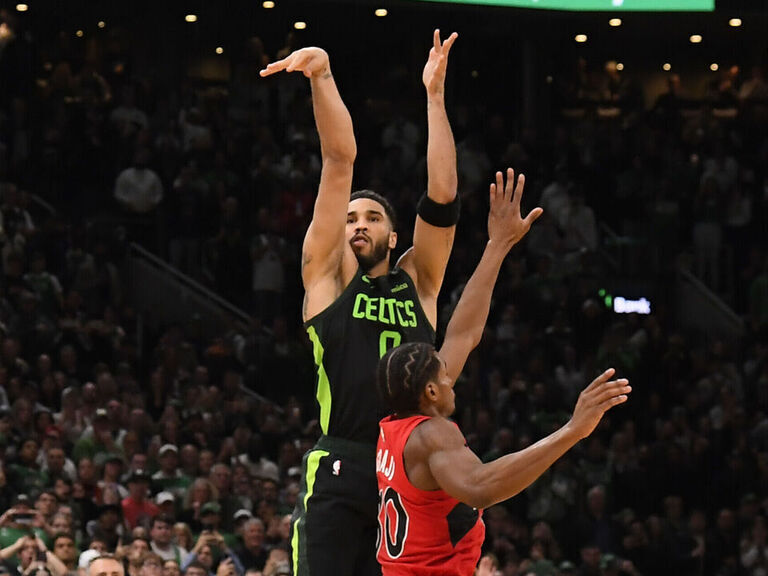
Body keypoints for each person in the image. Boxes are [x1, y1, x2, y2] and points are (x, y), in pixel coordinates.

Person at [260, 29, 459, 576]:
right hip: (343, 458)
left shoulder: (419, 282)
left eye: (372, 217)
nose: (358, 225)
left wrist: (434, 98)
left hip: (406, 464)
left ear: (394, 237)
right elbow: (338, 158)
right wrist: (322, 75)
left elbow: (443, 197)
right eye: (350, 218)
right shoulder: (325, 280)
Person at [375, 170, 632, 575]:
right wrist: (572, 431)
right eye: (443, 375)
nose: (451, 376)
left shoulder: (394, 428)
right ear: (430, 392)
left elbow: (463, 334)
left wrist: (498, 245)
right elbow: (481, 488)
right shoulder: (431, 435)